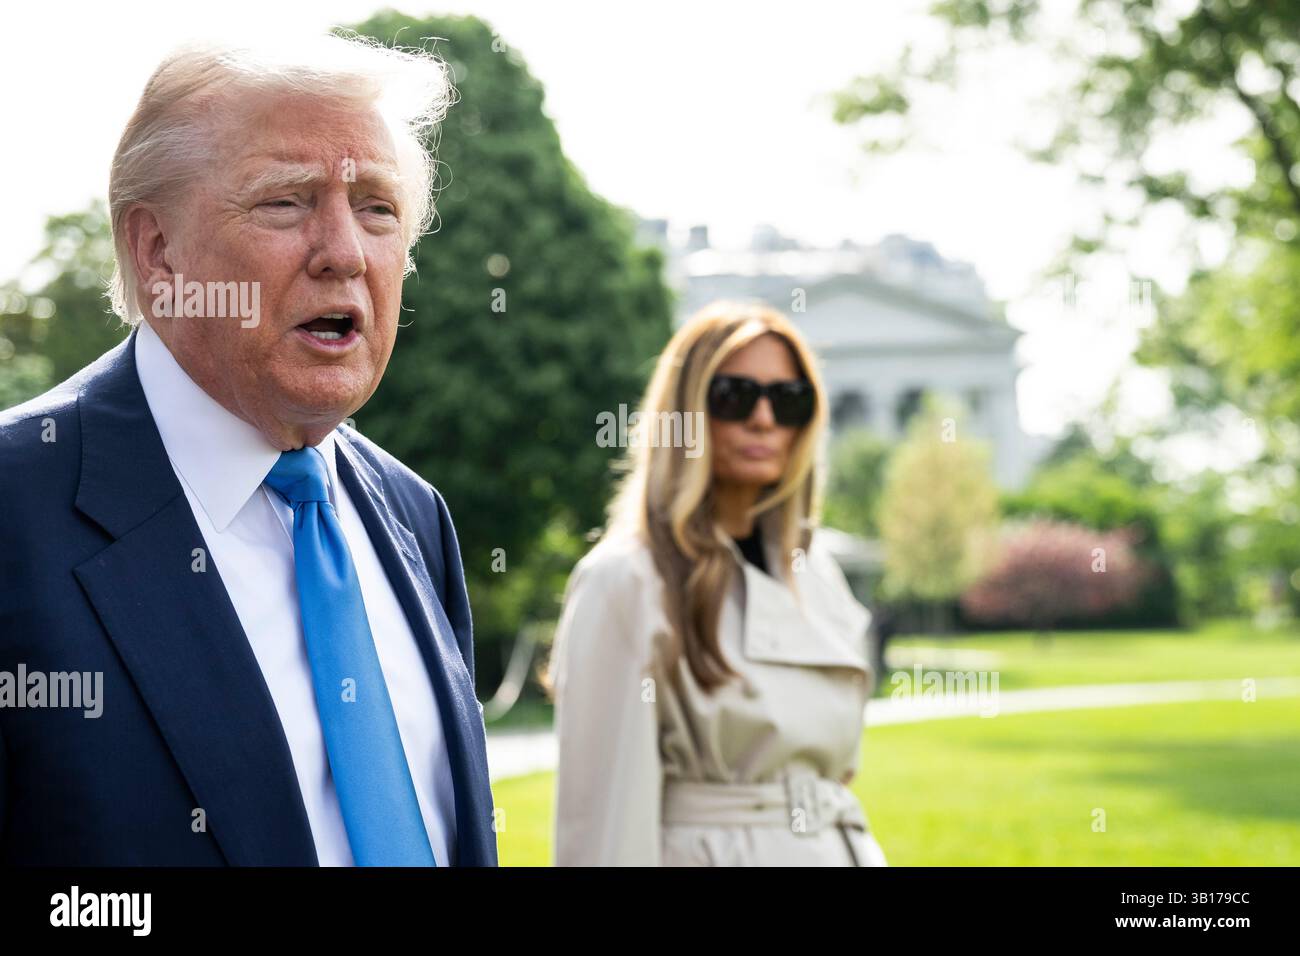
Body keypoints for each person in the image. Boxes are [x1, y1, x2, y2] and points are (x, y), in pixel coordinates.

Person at [0, 35, 497, 866]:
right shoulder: (16, 514)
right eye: (286, 202)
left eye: (377, 206)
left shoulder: (414, 513)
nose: (345, 251)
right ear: (157, 252)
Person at [548, 300, 889, 866]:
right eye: (735, 396)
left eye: (788, 400)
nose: (763, 419)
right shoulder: (626, 581)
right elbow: (604, 832)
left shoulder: (818, 573)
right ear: (684, 413)